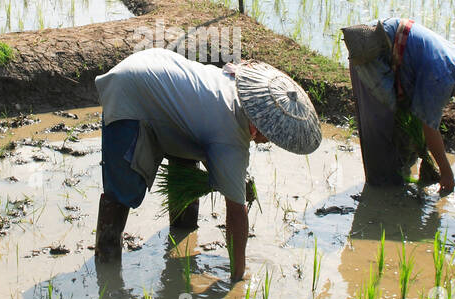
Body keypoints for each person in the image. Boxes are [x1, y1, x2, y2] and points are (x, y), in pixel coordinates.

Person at [93, 48, 320, 279]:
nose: (270, 139)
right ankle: (108, 277)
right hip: (130, 91)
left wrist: (238, 181)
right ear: (262, 124)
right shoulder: (230, 137)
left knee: (187, 158)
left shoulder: (235, 86)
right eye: (273, 134)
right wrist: (238, 276)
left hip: (155, 67)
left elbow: (209, 135)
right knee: (122, 190)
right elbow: (236, 212)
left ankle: (182, 234)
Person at [342, 19, 455, 194]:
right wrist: (446, 172)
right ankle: (380, 195)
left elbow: (424, 114)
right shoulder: (443, 77)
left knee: (403, 135)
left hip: (393, 54)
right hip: (372, 53)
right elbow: (429, 128)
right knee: (380, 128)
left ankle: (396, 180)